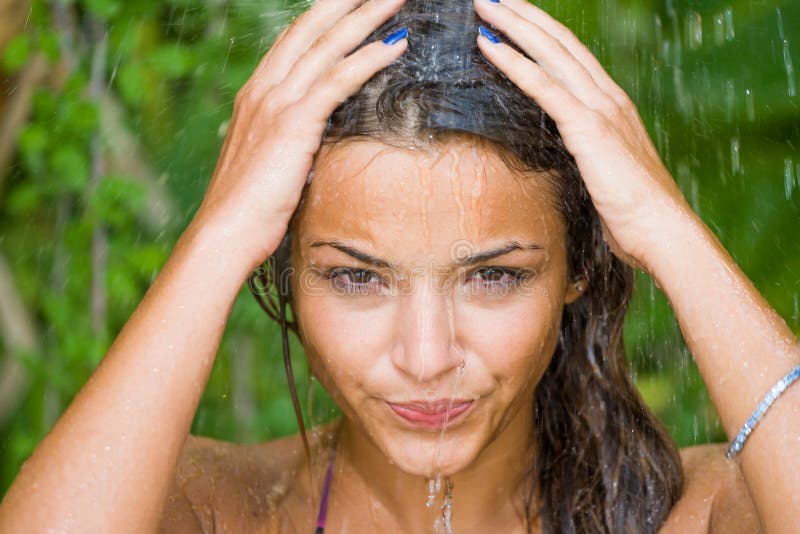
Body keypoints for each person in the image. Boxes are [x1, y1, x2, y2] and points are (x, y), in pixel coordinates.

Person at [0, 0, 798, 532]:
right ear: (283, 269)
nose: (426, 358)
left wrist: (666, 227)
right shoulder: (214, 511)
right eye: (357, 277)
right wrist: (219, 232)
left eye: (494, 276)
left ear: (578, 268)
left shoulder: (701, 514)